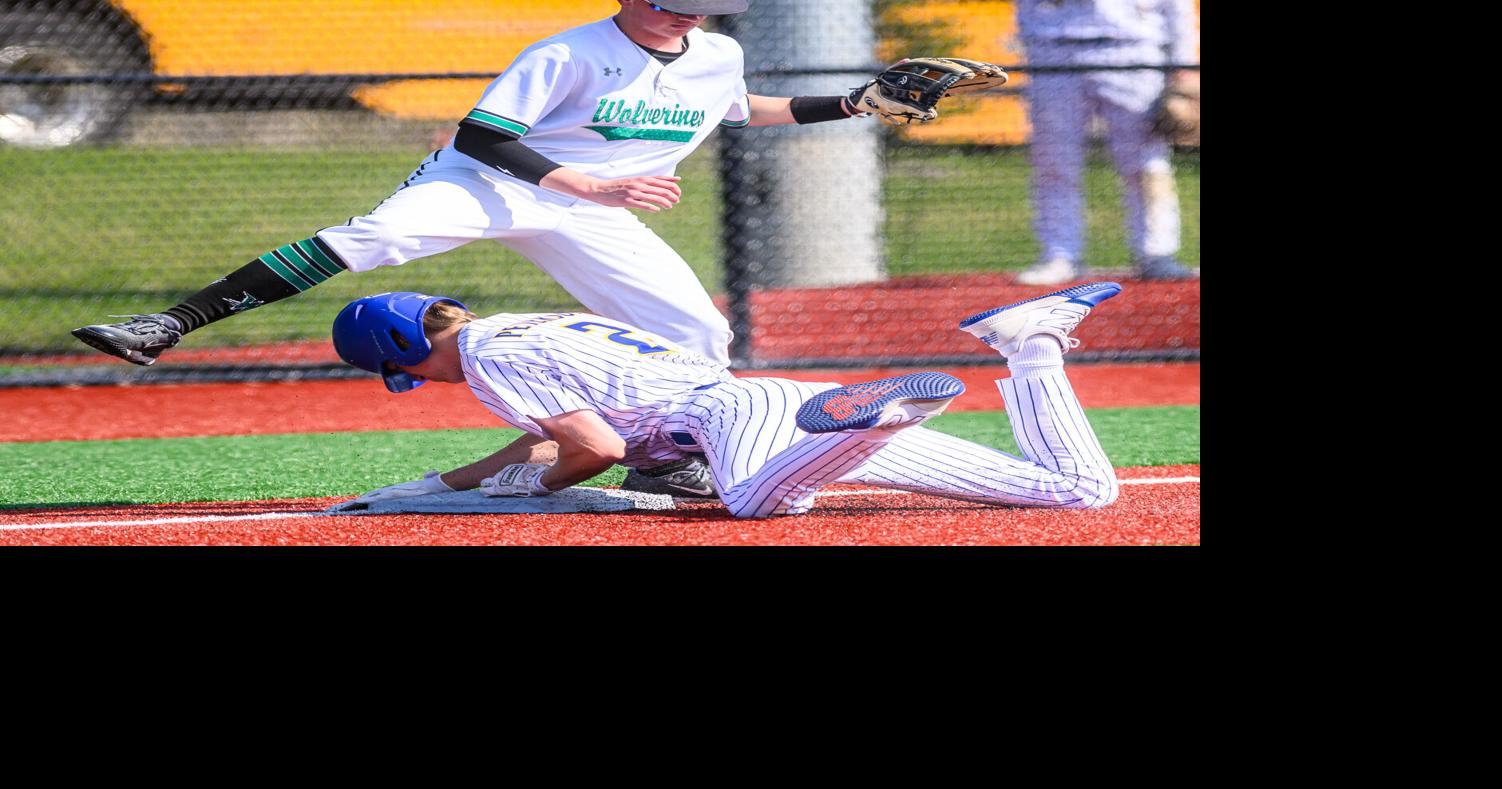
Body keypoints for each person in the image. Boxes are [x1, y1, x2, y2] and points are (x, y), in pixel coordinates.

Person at [68, 0, 874, 497]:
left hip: (590, 208)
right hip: (492, 181)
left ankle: (664, 458)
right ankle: (168, 323)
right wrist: (584, 184)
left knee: (698, 331)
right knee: (378, 235)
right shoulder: (567, 52)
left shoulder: (717, 53)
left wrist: (854, 101)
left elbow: (741, 108)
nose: (689, 17)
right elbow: (484, 136)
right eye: (675, 5)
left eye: (703, 8)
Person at [328, 282, 1122, 518]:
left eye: (403, 371)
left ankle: (878, 419)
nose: (419, 382)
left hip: (730, 418)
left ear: (401, 349)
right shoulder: (524, 324)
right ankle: (1033, 343)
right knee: (1078, 492)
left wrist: (539, 488)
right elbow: (555, 435)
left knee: (753, 501)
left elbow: (594, 450)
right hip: (782, 407)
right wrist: (444, 483)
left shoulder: (484, 358)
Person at [1013, 0, 1199, 286]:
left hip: (1131, 47)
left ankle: (1157, 253)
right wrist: (1033, 37)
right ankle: (1060, 255)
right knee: (1053, 163)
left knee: (1146, 163)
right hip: (1054, 47)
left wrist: (1182, 62)